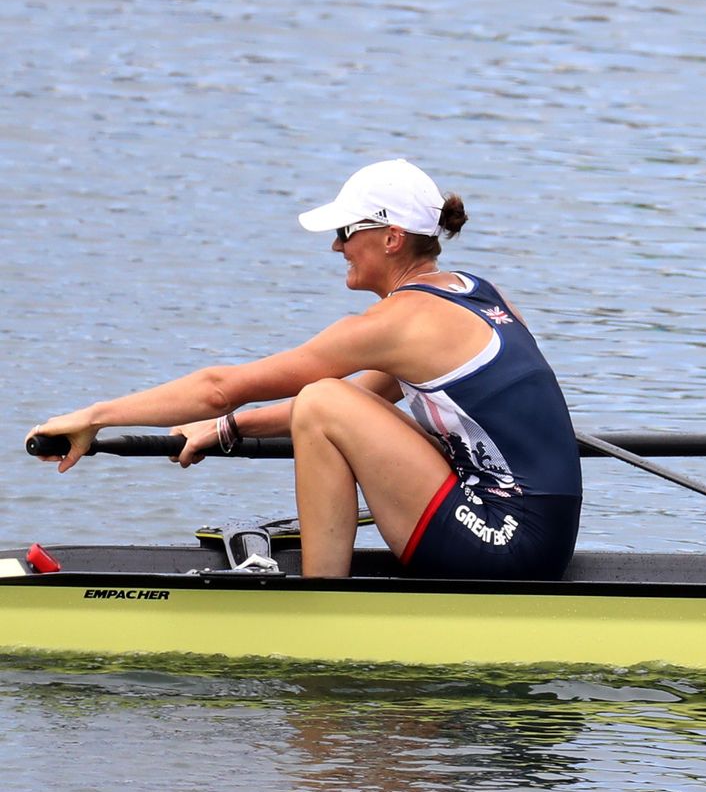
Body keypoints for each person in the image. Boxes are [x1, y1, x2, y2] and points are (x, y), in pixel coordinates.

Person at [27, 159, 582, 580]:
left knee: (321, 398)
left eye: (346, 233)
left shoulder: (395, 323)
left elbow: (223, 388)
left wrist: (94, 416)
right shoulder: (479, 294)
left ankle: (320, 604)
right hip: (540, 533)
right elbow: (362, 403)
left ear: (390, 238)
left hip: (503, 544)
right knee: (327, 402)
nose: (337, 247)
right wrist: (228, 431)